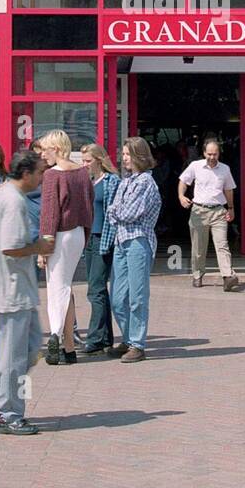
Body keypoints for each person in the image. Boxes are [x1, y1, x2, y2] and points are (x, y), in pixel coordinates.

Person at [0, 149, 55, 436]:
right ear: (26, 173)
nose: (43, 178)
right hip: (11, 290)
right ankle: (8, 412)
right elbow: (10, 246)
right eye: (40, 172)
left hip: (15, 289)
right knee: (15, 355)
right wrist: (38, 247)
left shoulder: (4, 193)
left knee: (30, 348)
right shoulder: (14, 201)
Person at [38, 130, 94, 366]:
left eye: (45, 150)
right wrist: (85, 234)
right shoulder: (83, 172)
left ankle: (54, 335)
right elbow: (89, 205)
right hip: (78, 234)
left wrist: (44, 245)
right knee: (66, 289)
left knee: (55, 289)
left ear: (57, 149)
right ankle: (69, 348)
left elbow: (50, 213)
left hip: (59, 235)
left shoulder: (52, 175)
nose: (42, 155)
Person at [105, 136, 162, 362]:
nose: (124, 158)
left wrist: (117, 212)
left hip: (139, 241)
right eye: (124, 154)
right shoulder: (127, 181)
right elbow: (114, 212)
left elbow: (129, 213)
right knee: (118, 297)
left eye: (128, 154)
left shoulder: (146, 182)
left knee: (137, 296)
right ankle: (128, 338)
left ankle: (137, 344)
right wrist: (117, 212)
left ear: (139, 155)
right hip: (121, 240)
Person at [178, 135, 239, 291]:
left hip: (219, 211)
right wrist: (181, 196)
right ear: (204, 153)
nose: (212, 157)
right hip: (199, 210)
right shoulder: (195, 166)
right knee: (199, 247)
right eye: (209, 154)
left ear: (219, 153)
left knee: (222, 245)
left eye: (215, 154)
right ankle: (197, 274)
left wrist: (231, 208)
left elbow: (228, 190)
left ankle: (227, 276)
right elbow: (183, 181)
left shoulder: (225, 169)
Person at [81, 142, 120, 355]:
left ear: (99, 160)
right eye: (83, 161)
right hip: (89, 238)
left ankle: (96, 338)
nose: (85, 164)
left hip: (103, 238)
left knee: (95, 288)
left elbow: (113, 213)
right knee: (97, 289)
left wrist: (111, 241)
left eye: (88, 161)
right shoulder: (90, 181)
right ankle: (105, 338)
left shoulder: (111, 181)